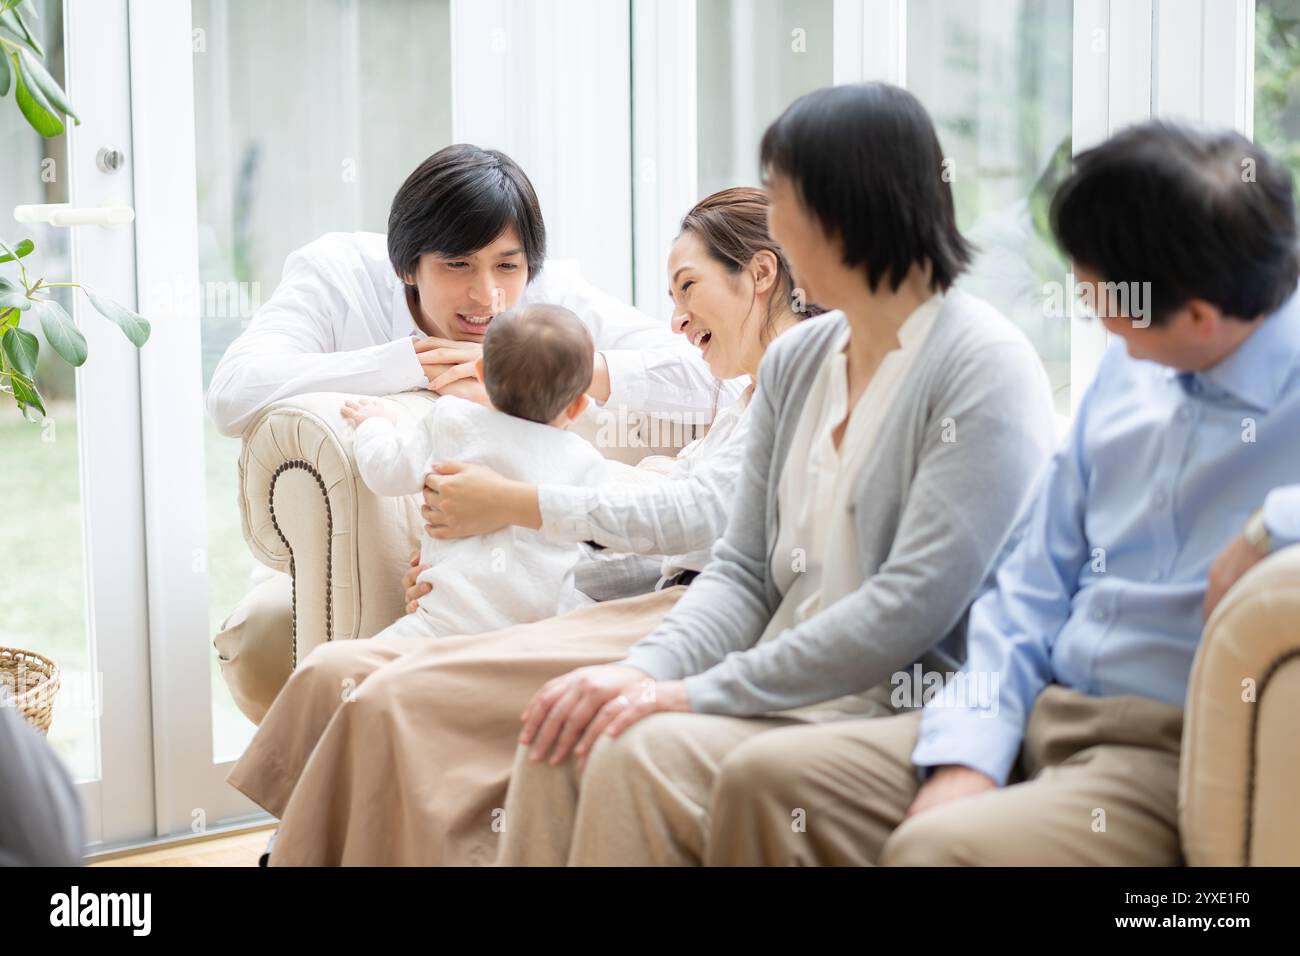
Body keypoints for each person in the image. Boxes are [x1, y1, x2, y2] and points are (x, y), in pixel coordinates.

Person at [704, 120, 1300, 867]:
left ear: (1200, 318)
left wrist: (1273, 527)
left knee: (937, 851)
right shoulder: (1133, 368)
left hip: (1151, 754)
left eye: (1102, 293)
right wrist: (972, 752)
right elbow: (1029, 584)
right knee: (764, 782)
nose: (1087, 306)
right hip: (1022, 709)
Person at [495, 82, 1057, 867]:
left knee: (629, 748)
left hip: (900, 707)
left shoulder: (983, 367)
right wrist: (639, 671)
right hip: (777, 688)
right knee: (568, 736)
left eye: (785, 200)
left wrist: (688, 695)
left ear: (848, 210)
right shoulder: (797, 361)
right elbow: (743, 571)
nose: (778, 230)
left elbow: (908, 611)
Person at [225, 187, 814, 865]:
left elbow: (697, 521)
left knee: (384, 695)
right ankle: (294, 848)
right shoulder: (750, 392)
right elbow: (667, 503)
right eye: (458, 265)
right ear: (409, 267)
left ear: (763, 274)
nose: (677, 321)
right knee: (335, 670)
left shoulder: (799, 379)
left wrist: (511, 501)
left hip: (676, 610)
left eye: (688, 288)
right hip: (633, 596)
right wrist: (472, 543)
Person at [210, 144, 744, 723]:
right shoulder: (339, 275)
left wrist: (562, 372)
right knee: (264, 643)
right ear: (407, 266)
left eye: (507, 267)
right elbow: (233, 394)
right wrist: (412, 363)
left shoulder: (550, 303)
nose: (487, 295)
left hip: (525, 575)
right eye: (458, 265)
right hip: (344, 564)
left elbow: (714, 377)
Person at [341, 305, 608, 637]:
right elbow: (597, 546)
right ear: (579, 405)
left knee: (358, 668)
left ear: (480, 373)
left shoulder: (452, 420)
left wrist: (374, 423)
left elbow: (384, 471)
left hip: (446, 620)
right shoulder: (585, 461)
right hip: (546, 629)